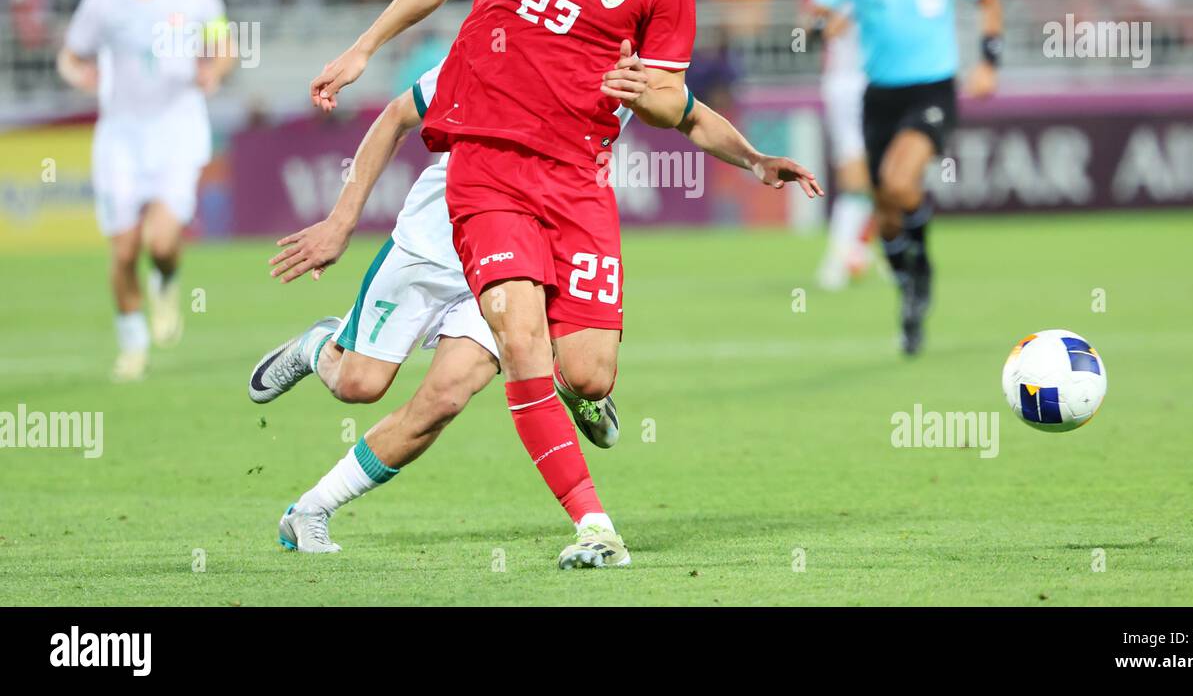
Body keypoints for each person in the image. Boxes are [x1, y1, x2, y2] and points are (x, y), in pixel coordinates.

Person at [304, 0, 710, 569]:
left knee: (559, 378)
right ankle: (595, 526)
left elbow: (675, 100)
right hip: (474, 184)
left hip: (561, 193)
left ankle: (310, 511)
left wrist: (664, 105)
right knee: (372, 382)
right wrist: (363, 47)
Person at [252, 63, 821, 556]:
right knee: (359, 384)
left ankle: (310, 512)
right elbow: (399, 114)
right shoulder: (503, 40)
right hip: (433, 246)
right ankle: (320, 348)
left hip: (517, 256)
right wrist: (342, 220)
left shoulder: (626, 67)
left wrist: (754, 159)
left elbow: (690, 112)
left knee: (445, 397)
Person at [810, 0, 1002, 354]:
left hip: (931, 91)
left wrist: (988, 62)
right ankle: (908, 282)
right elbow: (816, 14)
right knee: (887, 208)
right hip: (879, 95)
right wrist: (822, 26)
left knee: (899, 180)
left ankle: (923, 267)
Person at [57, 0, 234, 380]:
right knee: (122, 250)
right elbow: (70, 57)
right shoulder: (102, 2)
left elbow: (223, 44)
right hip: (120, 137)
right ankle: (132, 346)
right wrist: (83, 76)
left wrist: (214, 70)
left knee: (160, 241)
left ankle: (168, 278)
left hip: (177, 132)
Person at [806, 0, 883, 290]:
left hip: (890, 82)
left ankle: (863, 247)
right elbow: (811, 26)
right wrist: (834, 21)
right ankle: (838, 258)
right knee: (855, 175)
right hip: (846, 85)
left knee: (888, 175)